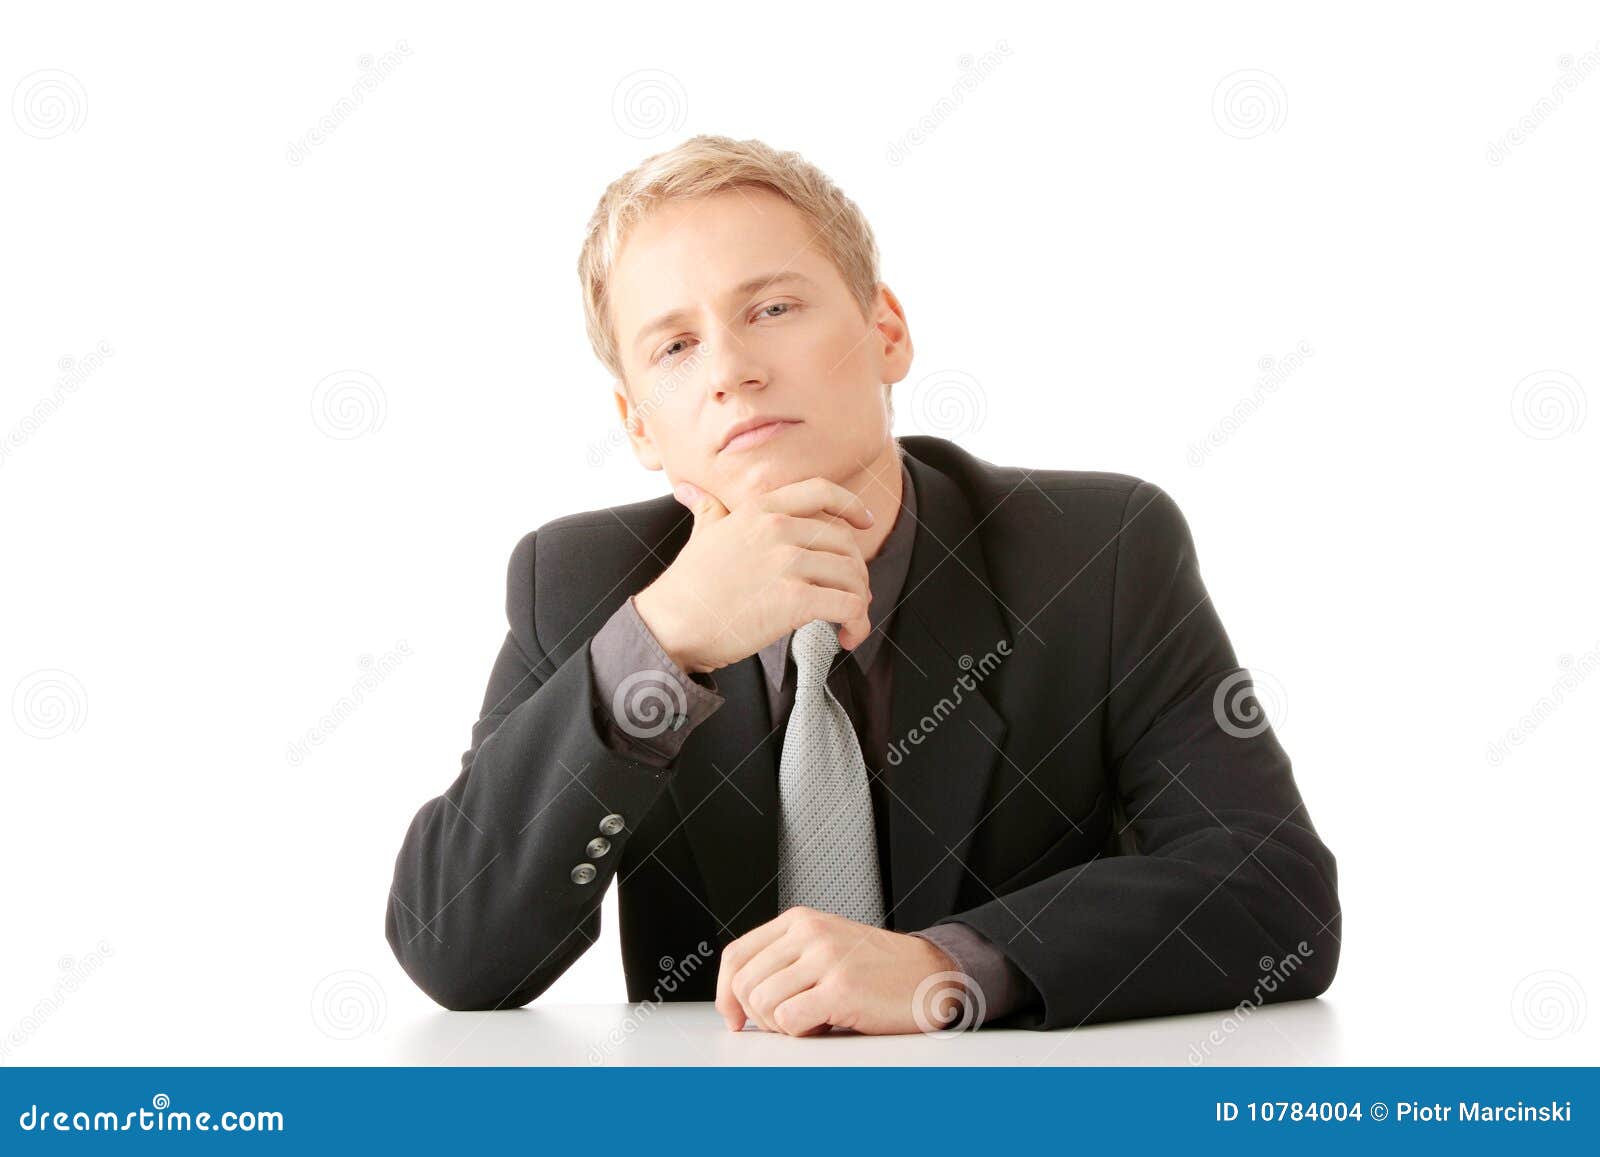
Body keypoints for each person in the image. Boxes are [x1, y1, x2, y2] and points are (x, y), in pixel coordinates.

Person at [384, 134, 1340, 1035]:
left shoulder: (1100, 551)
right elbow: (454, 953)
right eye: (675, 346)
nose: (733, 371)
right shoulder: (585, 587)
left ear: (886, 331)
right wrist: (663, 642)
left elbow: (1275, 887)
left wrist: (950, 965)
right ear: (639, 425)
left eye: (772, 308)